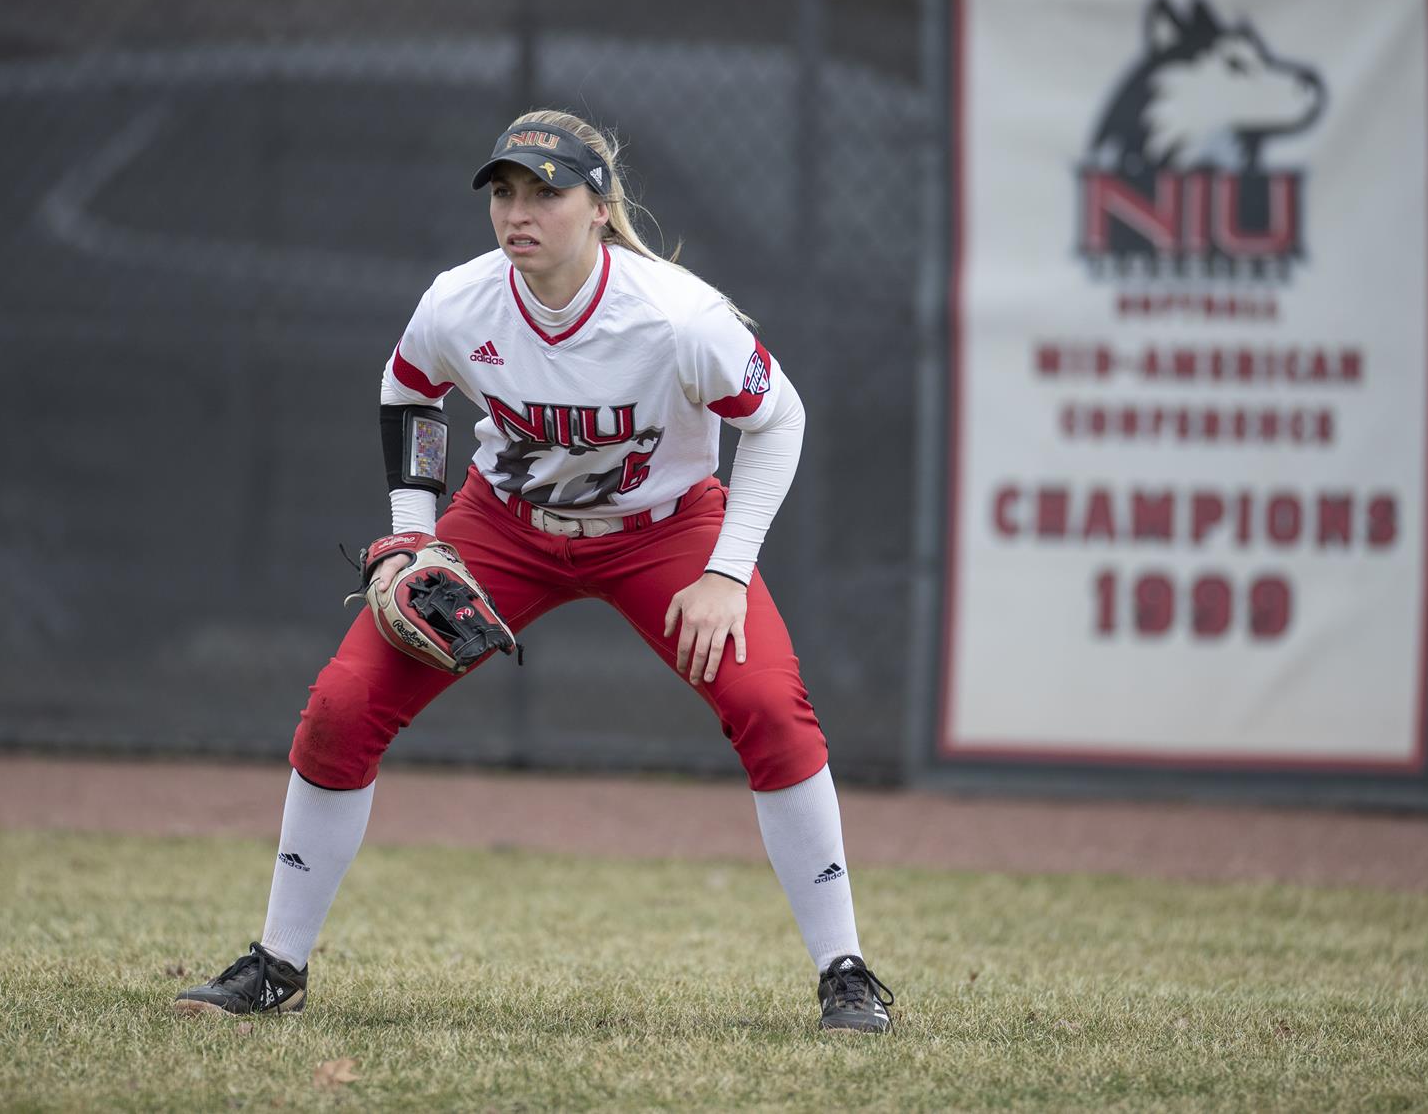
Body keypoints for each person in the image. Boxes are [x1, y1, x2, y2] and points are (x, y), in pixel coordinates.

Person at [173, 110, 895, 1033]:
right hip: (504, 527)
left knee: (769, 707)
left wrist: (726, 569)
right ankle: (277, 965)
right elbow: (408, 387)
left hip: (663, 530)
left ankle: (845, 972)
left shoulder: (677, 315)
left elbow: (779, 418)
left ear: (600, 208)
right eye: (506, 191)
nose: (521, 211)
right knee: (342, 707)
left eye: (547, 191)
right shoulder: (461, 301)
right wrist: (413, 535)